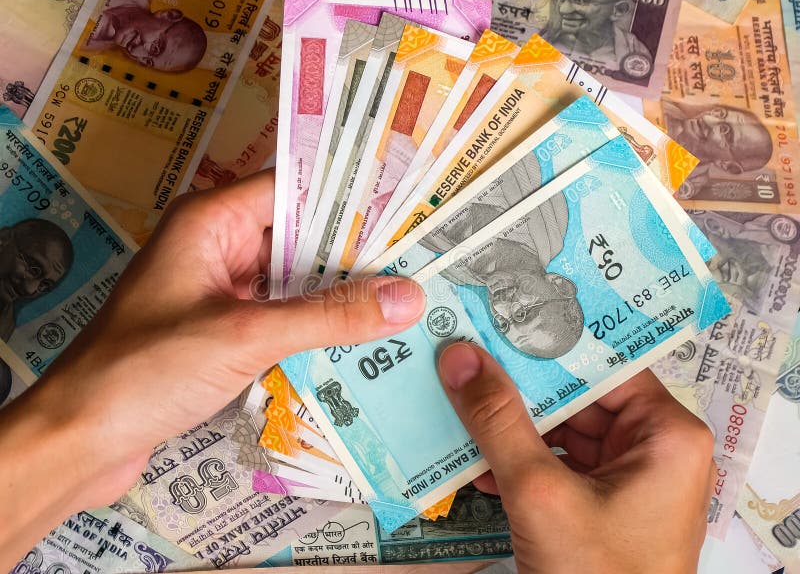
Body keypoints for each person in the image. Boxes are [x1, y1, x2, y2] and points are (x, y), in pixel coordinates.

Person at [0, 172, 715, 571]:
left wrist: (82, 432)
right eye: (536, 309)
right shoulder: (550, 204)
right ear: (564, 285)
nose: (513, 313)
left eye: (517, 330)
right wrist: (83, 433)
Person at [420, 159, 583, 358]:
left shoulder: (453, 273)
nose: (498, 306)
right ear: (559, 285)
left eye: (504, 323)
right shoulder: (550, 218)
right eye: (523, 313)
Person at [0, 219, 74, 403]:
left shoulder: (6, 323)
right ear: (3, 239)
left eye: (45, 285)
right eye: (33, 270)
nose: (30, 289)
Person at [83, 0, 207, 72]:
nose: (136, 52)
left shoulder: (92, 47)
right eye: (155, 47)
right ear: (168, 15)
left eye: (148, 61)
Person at [541, 0, 653, 77]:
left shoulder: (636, 51)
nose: (563, 10)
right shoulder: (544, 42)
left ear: (618, 10)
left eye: (580, 1)